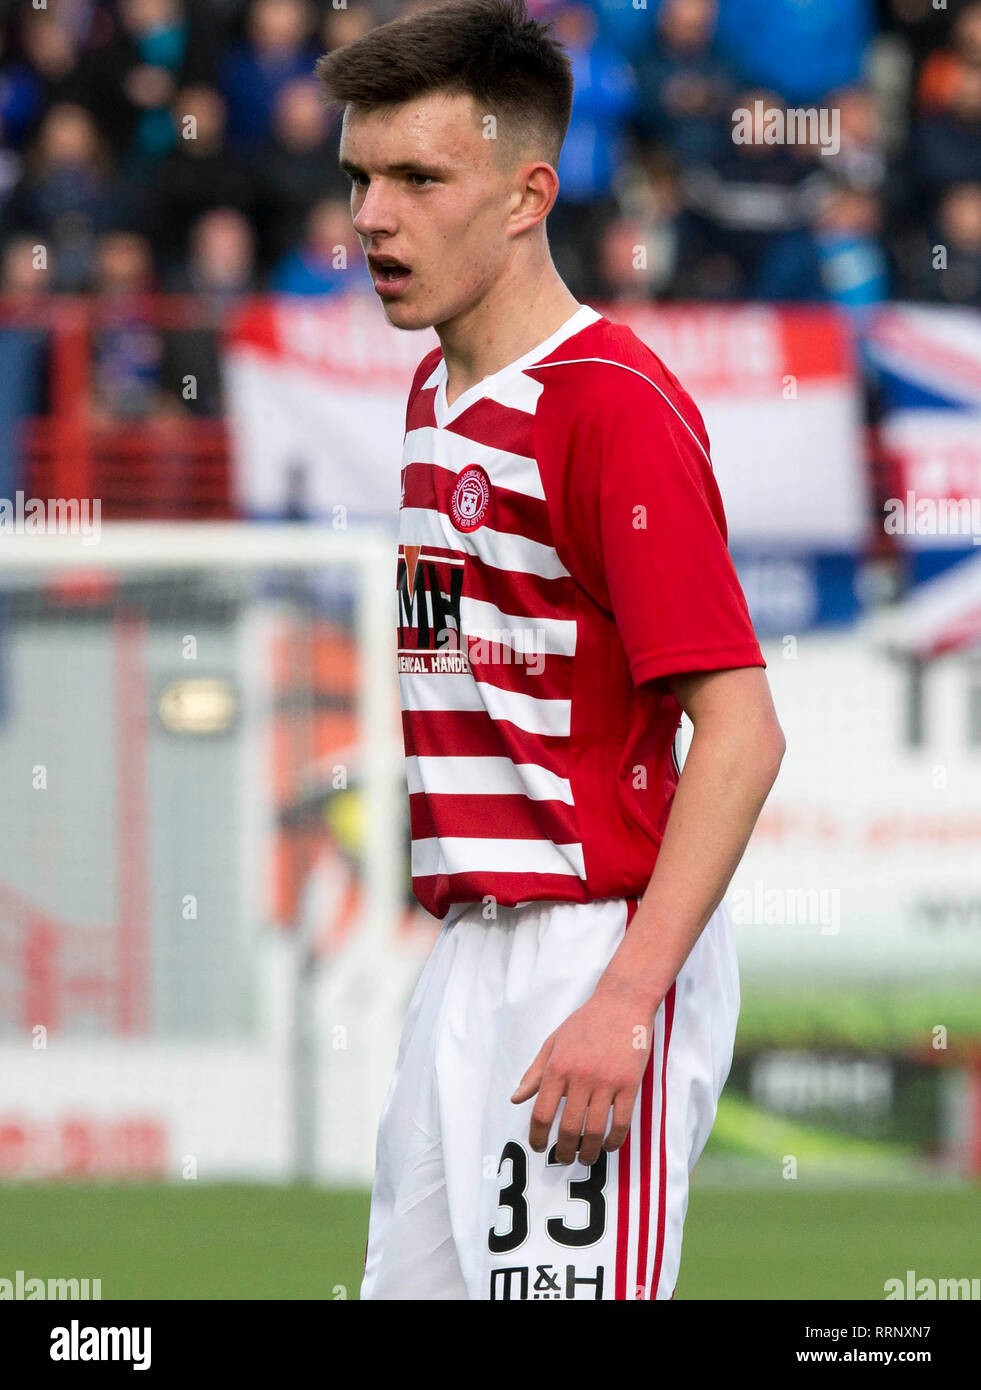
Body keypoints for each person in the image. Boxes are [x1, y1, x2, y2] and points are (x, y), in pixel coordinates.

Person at [317, 0, 785, 1302]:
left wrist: (626, 999)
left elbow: (740, 731)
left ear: (527, 195)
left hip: (595, 954)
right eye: (359, 176)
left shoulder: (609, 410)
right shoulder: (428, 394)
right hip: (468, 953)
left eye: (418, 178)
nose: (371, 216)